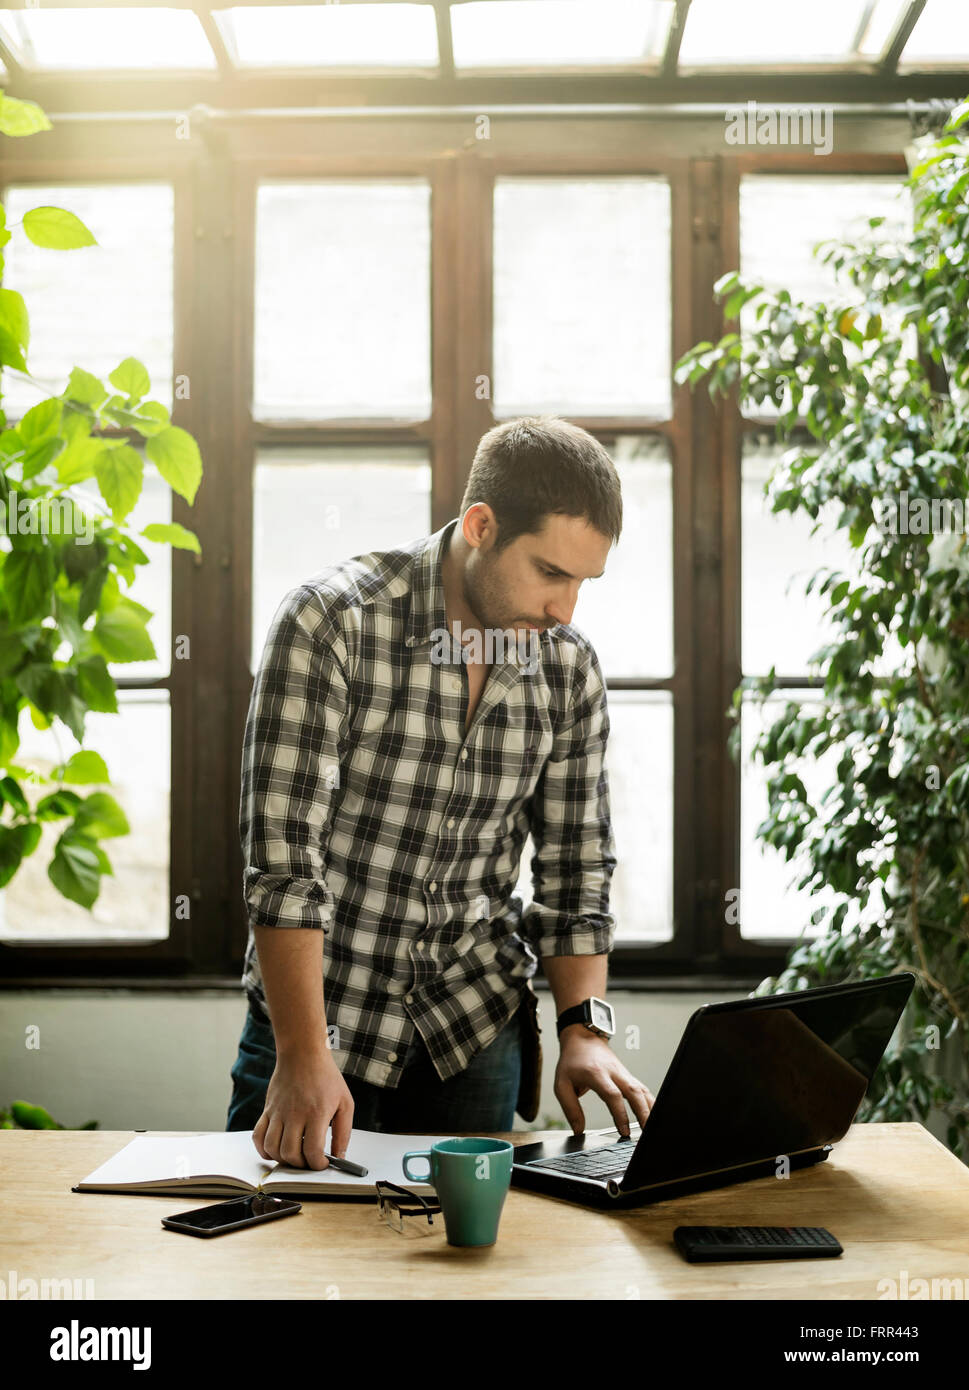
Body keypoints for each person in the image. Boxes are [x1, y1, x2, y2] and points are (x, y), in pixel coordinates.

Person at [226, 415, 655, 1168]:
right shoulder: (330, 624)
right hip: (318, 1027)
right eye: (551, 573)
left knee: (469, 1278)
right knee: (280, 1262)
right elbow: (284, 870)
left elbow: (575, 871)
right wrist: (300, 1053)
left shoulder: (567, 669)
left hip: (472, 1033)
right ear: (482, 526)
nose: (566, 611)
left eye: (584, 582)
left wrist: (583, 1032)